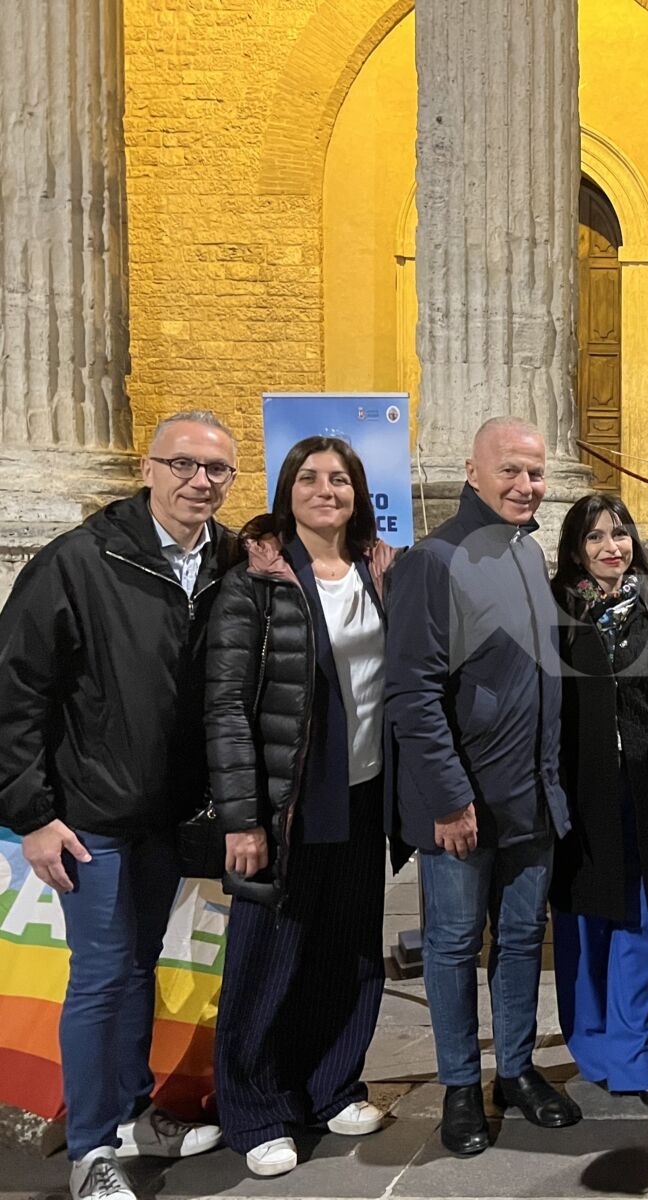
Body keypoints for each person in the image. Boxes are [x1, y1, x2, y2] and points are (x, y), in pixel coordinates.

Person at [0, 412, 237, 1200]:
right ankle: (92, 1149)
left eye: (216, 469)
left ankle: (135, 1111)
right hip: (88, 815)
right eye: (183, 464)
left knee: (139, 967)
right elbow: (16, 692)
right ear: (149, 467)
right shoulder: (79, 561)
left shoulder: (226, 560)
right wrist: (31, 813)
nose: (199, 480)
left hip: (165, 814)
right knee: (101, 977)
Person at [385, 416, 581, 1156]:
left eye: (535, 473)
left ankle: (519, 1070)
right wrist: (446, 797)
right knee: (454, 943)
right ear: (473, 473)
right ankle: (461, 1085)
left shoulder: (528, 554)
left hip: (530, 794)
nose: (526, 486)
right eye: (511, 472)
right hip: (464, 801)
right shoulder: (435, 561)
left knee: (524, 937)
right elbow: (412, 691)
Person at [204, 437, 399, 1176]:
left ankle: (331, 1084)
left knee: (346, 948)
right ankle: (254, 1111)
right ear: (288, 490)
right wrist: (242, 818)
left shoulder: (378, 572)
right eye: (311, 479)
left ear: (358, 493)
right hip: (287, 801)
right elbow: (225, 706)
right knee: (266, 958)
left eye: (341, 479)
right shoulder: (256, 580)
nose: (327, 491)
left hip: (363, 789)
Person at [550, 494, 648, 1110]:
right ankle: (594, 1051)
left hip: (646, 792)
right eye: (595, 537)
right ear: (574, 549)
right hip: (579, 796)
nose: (612, 547)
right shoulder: (554, 617)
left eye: (620, 534)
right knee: (584, 930)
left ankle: (640, 1064)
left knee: (644, 926)